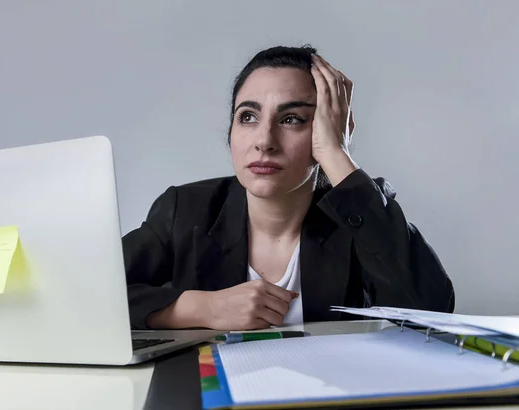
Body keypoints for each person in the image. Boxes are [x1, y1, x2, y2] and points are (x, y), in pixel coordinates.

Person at [123, 45, 455, 331]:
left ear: (326, 130)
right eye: (248, 117)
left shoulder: (359, 213)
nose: (264, 141)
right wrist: (199, 308)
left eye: (291, 118)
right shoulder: (185, 209)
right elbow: (88, 292)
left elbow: (430, 311)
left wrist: (337, 155)